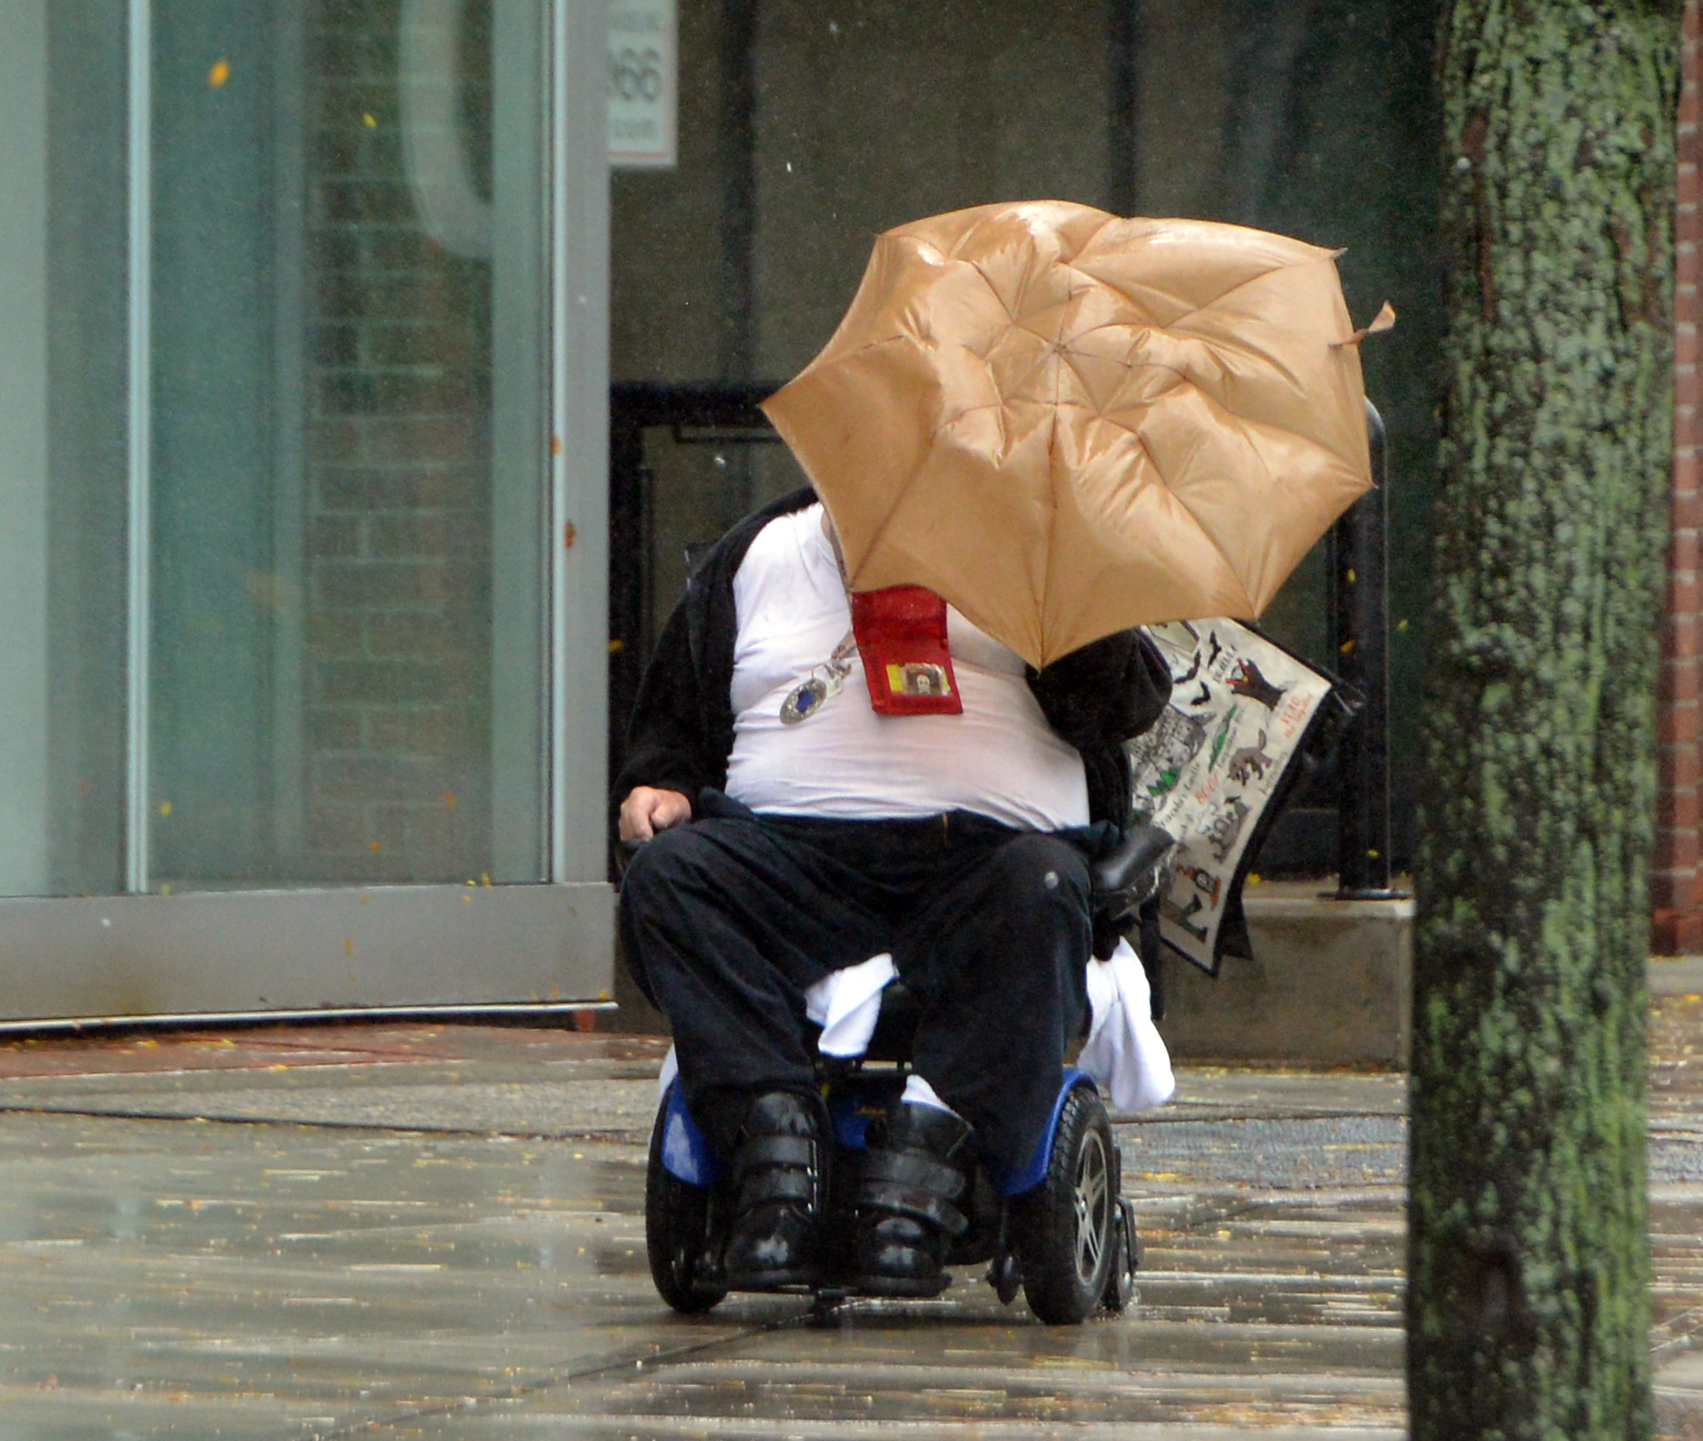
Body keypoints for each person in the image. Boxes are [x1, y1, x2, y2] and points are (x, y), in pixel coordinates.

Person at [615, 486, 1170, 1296]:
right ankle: (774, 1133)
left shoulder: (1032, 551)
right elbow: (670, 726)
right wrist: (658, 783)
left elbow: (1127, 703)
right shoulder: (757, 553)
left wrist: (1047, 587)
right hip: (791, 857)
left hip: (982, 860)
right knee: (668, 877)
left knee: (1042, 886)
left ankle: (931, 1144)